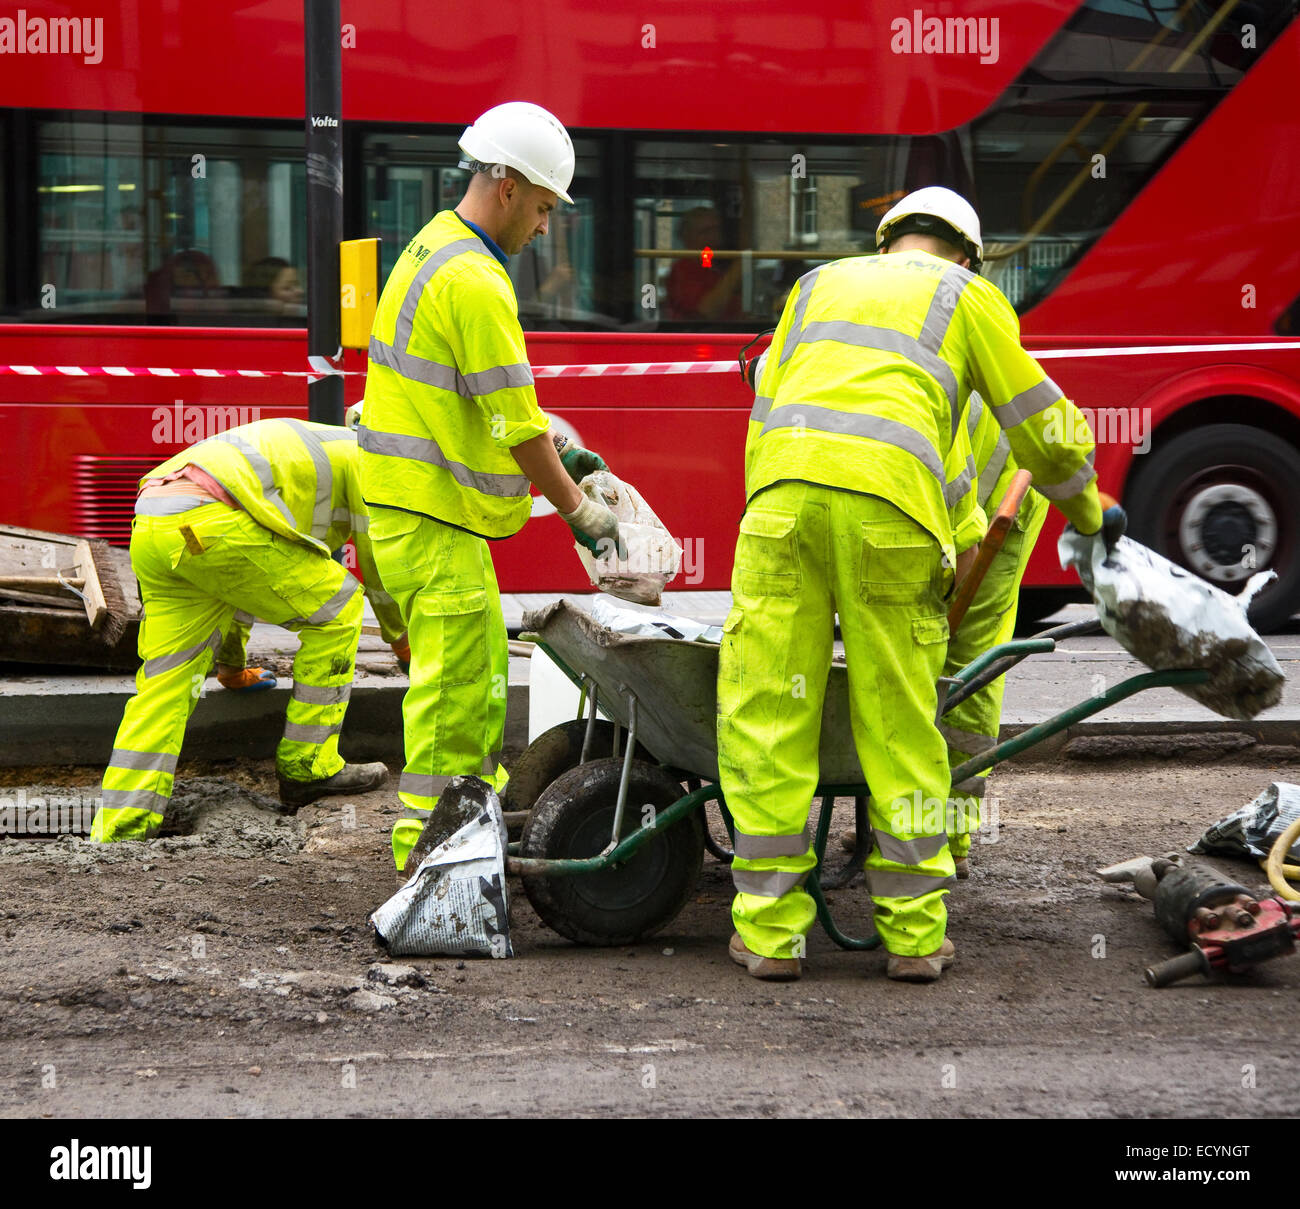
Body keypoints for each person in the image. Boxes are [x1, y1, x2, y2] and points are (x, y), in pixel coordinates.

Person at [720, 185, 1116, 984]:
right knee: (902, 721)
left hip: (779, 505)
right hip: (891, 517)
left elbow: (766, 408)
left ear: (885, 240)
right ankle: (913, 937)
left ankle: (769, 936)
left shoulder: (817, 285)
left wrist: (775, 512)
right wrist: (1088, 506)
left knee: (767, 713)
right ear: (969, 256)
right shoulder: (970, 297)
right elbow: (1045, 422)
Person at [357, 100, 622, 875]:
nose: (545, 227)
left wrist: (561, 454)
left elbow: (482, 405)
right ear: (505, 187)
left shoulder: (431, 247)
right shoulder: (474, 279)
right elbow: (514, 421)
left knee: (467, 692)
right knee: (457, 699)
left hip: (415, 513)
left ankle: (467, 835)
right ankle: (432, 862)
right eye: (543, 207)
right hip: (430, 520)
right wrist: (579, 511)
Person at [91, 417, 403, 842]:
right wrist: (400, 638)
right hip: (211, 523)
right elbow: (378, 564)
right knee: (339, 607)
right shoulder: (369, 462)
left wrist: (231, 668)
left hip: (156, 522)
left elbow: (244, 583)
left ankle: (120, 829)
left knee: (164, 683)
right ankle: (308, 766)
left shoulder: (306, 451)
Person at [665, 206, 743, 322]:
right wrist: (739, 267)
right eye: (705, 232)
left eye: (716, 230)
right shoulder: (683, 270)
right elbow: (706, 312)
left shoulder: (713, 265)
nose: (714, 237)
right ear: (687, 237)